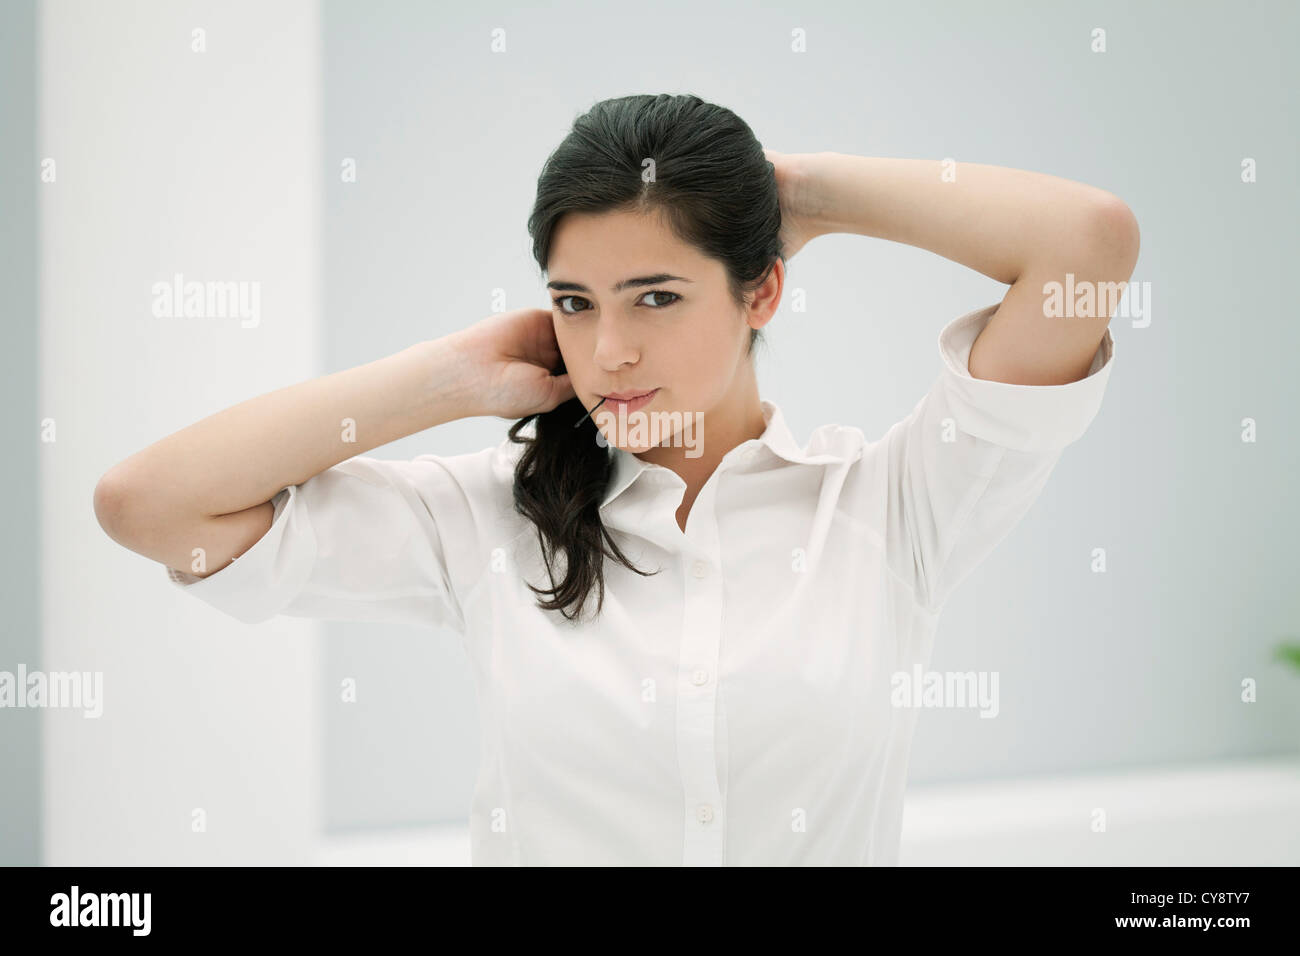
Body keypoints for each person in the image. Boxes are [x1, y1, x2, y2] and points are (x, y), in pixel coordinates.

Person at [93, 93, 1137, 865]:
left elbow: (1086, 243)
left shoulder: (888, 507)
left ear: (762, 290)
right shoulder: (486, 519)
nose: (611, 351)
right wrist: (446, 379)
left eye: (655, 296)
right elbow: (149, 505)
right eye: (575, 302)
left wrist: (796, 194)